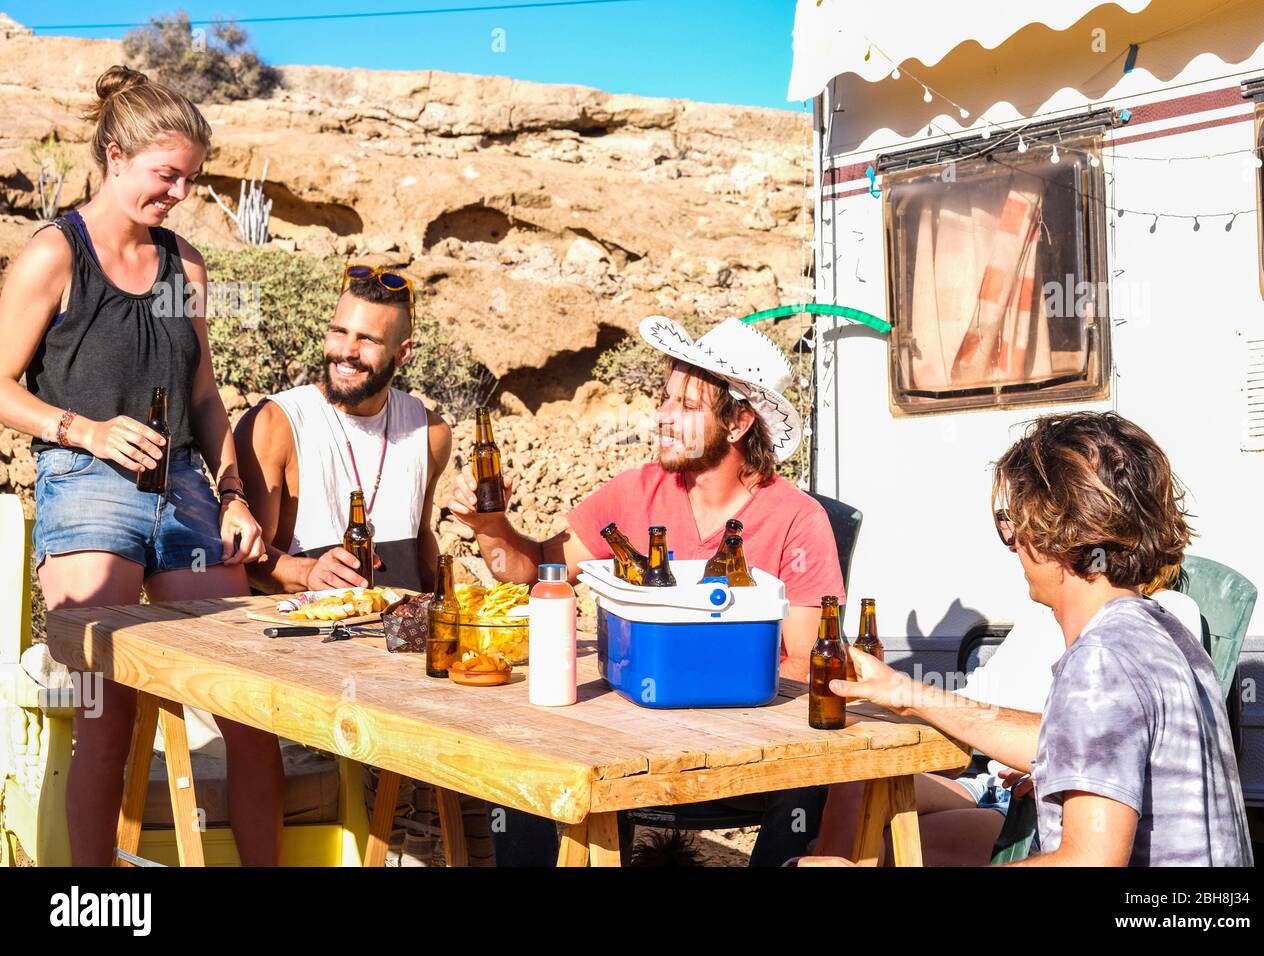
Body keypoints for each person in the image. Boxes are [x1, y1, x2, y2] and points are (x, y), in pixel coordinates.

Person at [0, 66, 282, 865]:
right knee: (107, 711)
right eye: (167, 176)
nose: (180, 194)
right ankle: (95, 902)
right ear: (116, 156)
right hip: (86, 490)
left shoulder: (183, 268)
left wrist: (233, 497)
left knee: (251, 704)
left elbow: (205, 400)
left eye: (191, 179)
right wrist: (84, 431)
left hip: (186, 494)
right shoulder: (55, 256)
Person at [448, 315, 845, 865]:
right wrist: (490, 526)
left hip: (745, 758)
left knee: (812, 780)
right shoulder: (637, 492)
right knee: (525, 761)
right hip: (628, 742)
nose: (662, 417)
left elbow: (807, 664)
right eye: (665, 399)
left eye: (686, 405)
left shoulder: (799, 519)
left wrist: (705, 683)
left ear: (737, 424)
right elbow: (537, 568)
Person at [803, 411, 1252, 866]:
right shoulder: (1160, 631)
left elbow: (1088, 863)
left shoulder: (1103, 659)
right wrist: (903, 691)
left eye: (1015, 524)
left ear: (1055, 533)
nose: (1014, 544)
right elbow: (1060, 738)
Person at [813, 568, 1203, 865]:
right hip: (981, 781)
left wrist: (1055, 770)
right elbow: (976, 699)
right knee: (855, 786)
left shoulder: (1154, 618)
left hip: (1029, 808)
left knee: (879, 852)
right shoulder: (1052, 610)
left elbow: (1115, 747)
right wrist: (892, 697)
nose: (1018, 545)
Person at [234, 267, 452, 594]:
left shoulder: (430, 432)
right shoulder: (275, 422)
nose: (346, 351)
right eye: (339, 331)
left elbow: (419, 538)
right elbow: (247, 557)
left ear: (403, 352)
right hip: (302, 634)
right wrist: (307, 573)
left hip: (397, 634)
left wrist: (449, 605)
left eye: (367, 339)